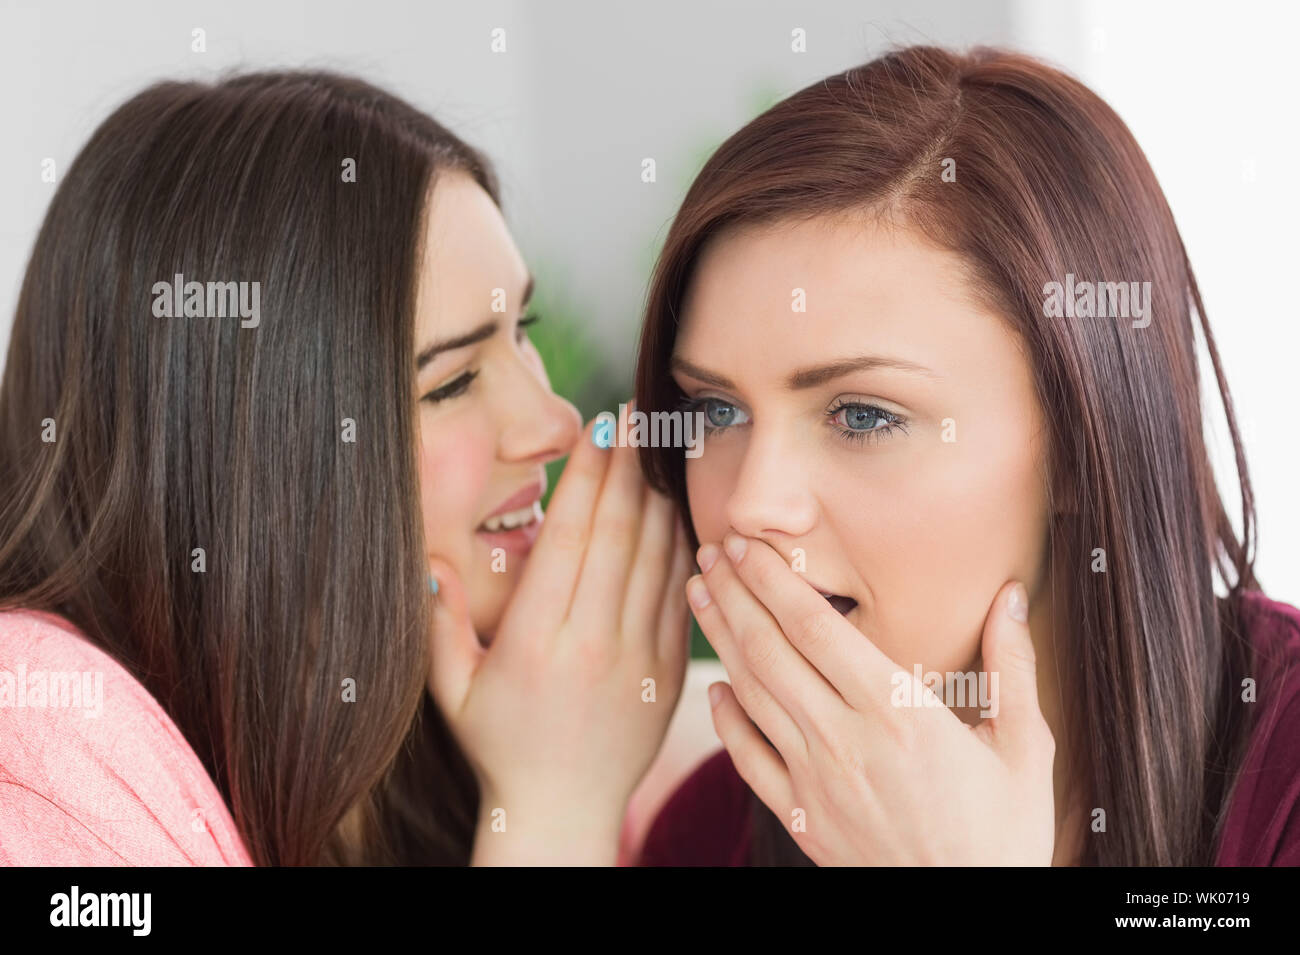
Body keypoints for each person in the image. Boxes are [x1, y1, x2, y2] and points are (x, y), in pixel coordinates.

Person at [0, 71, 693, 865]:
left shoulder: (444, 717)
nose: (555, 423)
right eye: (454, 381)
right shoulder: (37, 733)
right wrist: (553, 810)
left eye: (521, 330)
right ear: (256, 459)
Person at [634, 45, 1300, 866]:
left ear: (1076, 444)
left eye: (863, 415)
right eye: (717, 408)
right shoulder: (706, 835)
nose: (748, 504)